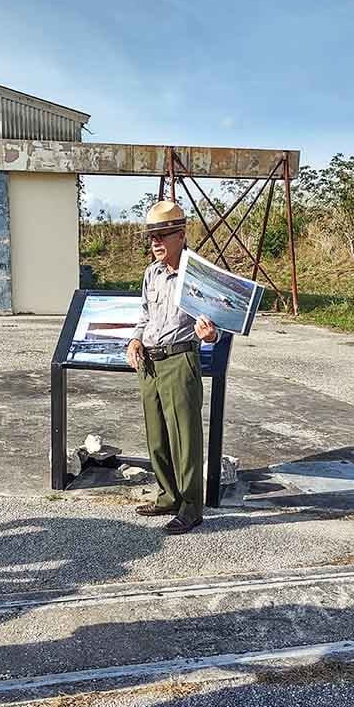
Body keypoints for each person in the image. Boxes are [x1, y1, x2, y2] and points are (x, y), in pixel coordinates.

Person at [127, 200, 218, 535]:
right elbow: (144, 316)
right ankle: (167, 495)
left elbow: (218, 324)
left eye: (163, 234)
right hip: (150, 362)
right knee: (157, 437)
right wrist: (136, 339)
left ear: (182, 234)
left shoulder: (198, 276)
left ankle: (191, 508)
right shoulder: (152, 273)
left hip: (180, 360)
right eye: (152, 236)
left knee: (185, 439)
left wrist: (211, 335)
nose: (156, 242)